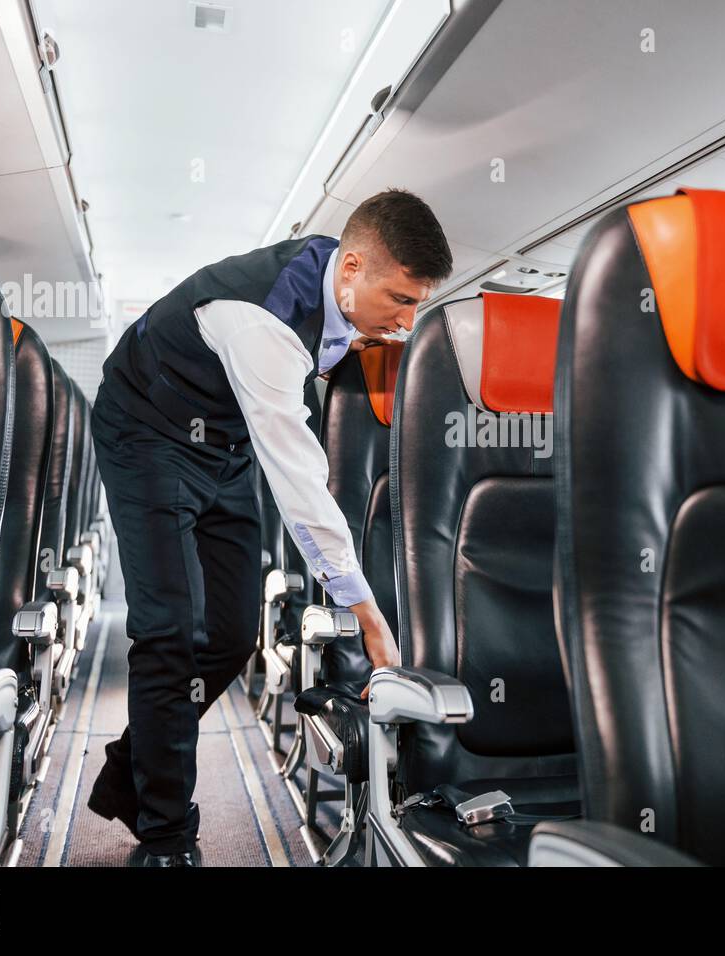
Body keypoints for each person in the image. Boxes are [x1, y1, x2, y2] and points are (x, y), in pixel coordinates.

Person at [84, 188, 453, 866]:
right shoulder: (266, 323)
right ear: (352, 270)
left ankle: (129, 770)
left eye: (417, 305)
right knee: (171, 628)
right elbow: (301, 488)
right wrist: (369, 617)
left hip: (222, 446)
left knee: (226, 635)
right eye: (400, 300)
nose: (406, 323)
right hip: (146, 432)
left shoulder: (343, 298)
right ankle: (167, 835)